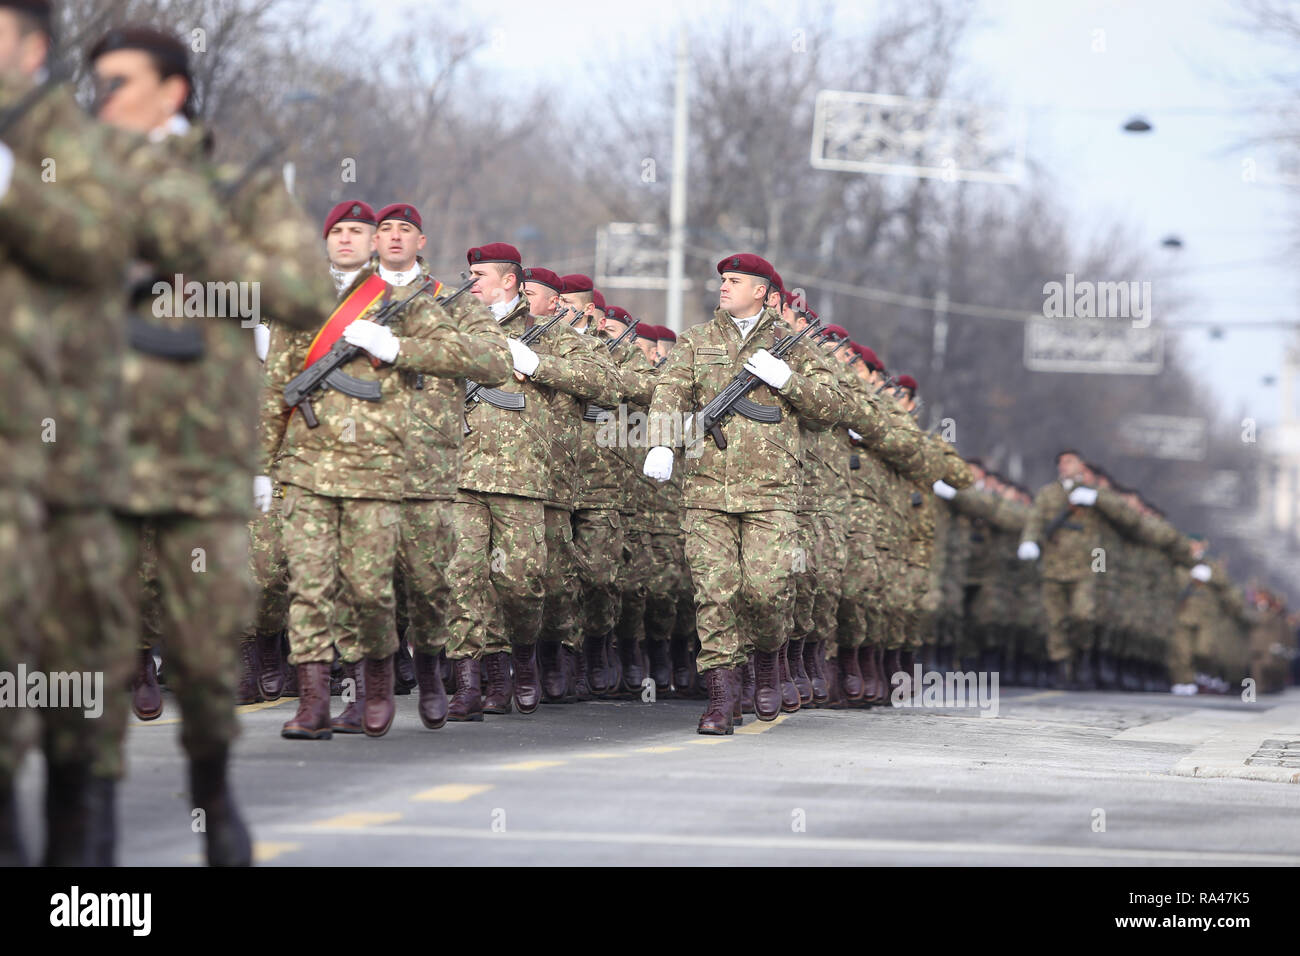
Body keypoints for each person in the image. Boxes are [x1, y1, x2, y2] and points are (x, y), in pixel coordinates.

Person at [644, 254, 845, 733]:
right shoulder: (697, 340)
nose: (724, 287)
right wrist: (660, 442)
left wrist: (787, 380)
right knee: (715, 594)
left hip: (771, 492)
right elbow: (668, 393)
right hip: (707, 490)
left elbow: (834, 406)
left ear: (762, 290)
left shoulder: (793, 345)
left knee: (768, 590)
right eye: (722, 281)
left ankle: (770, 661)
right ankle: (721, 697)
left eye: (734, 281)